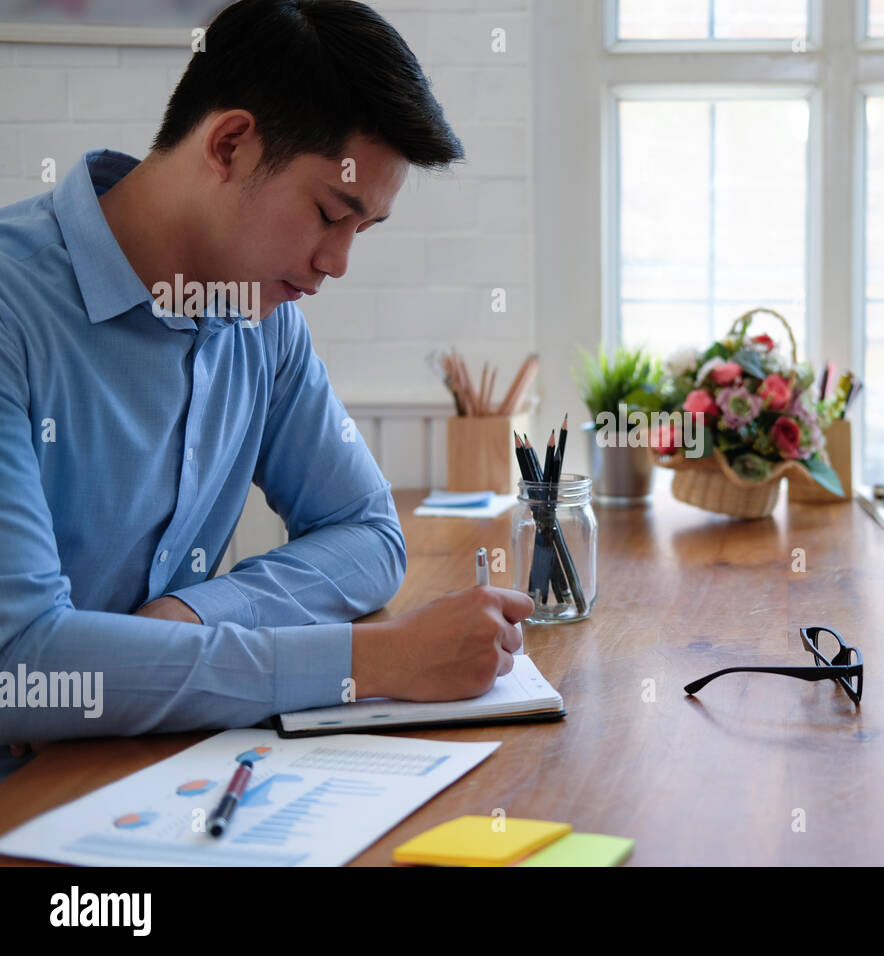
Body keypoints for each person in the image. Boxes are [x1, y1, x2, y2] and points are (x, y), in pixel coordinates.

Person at [0, 0, 532, 783]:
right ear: (230, 144)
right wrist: (368, 660)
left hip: (151, 777)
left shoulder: (260, 318)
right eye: (328, 213)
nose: (337, 264)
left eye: (362, 230)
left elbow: (367, 532)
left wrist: (196, 616)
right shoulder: (16, 310)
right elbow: (21, 667)